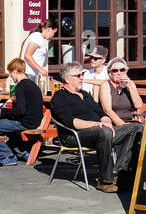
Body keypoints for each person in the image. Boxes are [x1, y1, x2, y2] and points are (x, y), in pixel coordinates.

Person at [50, 64, 140, 192]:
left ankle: (118, 172)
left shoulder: (84, 94)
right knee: (104, 132)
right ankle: (105, 181)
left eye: (82, 75)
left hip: (100, 132)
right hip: (73, 136)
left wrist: (106, 121)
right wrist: (96, 124)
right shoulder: (60, 97)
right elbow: (70, 122)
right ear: (67, 79)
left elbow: (101, 113)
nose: (82, 78)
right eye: (78, 76)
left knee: (136, 127)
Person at [0, 59, 44, 167]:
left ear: (15, 71)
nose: (10, 76)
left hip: (25, 122)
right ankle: (22, 152)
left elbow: (20, 111)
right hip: (35, 121)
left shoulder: (20, 86)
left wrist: (3, 112)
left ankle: (8, 155)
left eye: (10, 73)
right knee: (5, 125)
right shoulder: (32, 84)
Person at [100, 58, 146, 125]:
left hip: (131, 122)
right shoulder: (106, 86)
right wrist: (123, 125)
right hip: (114, 124)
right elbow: (107, 110)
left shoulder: (130, 83)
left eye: (122, 70)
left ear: (126, 72)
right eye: (115, 71)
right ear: (110, 73)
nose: (119, 73)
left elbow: (138, 105)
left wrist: (129, 86)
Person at [21, 19, 57, 89]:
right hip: (29, 74)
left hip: (33, 75)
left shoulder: (40, 38)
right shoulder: (37, 37)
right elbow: (27, 55)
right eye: (54, 33)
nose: (53, 35)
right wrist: (40, 69)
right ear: (49, 29)